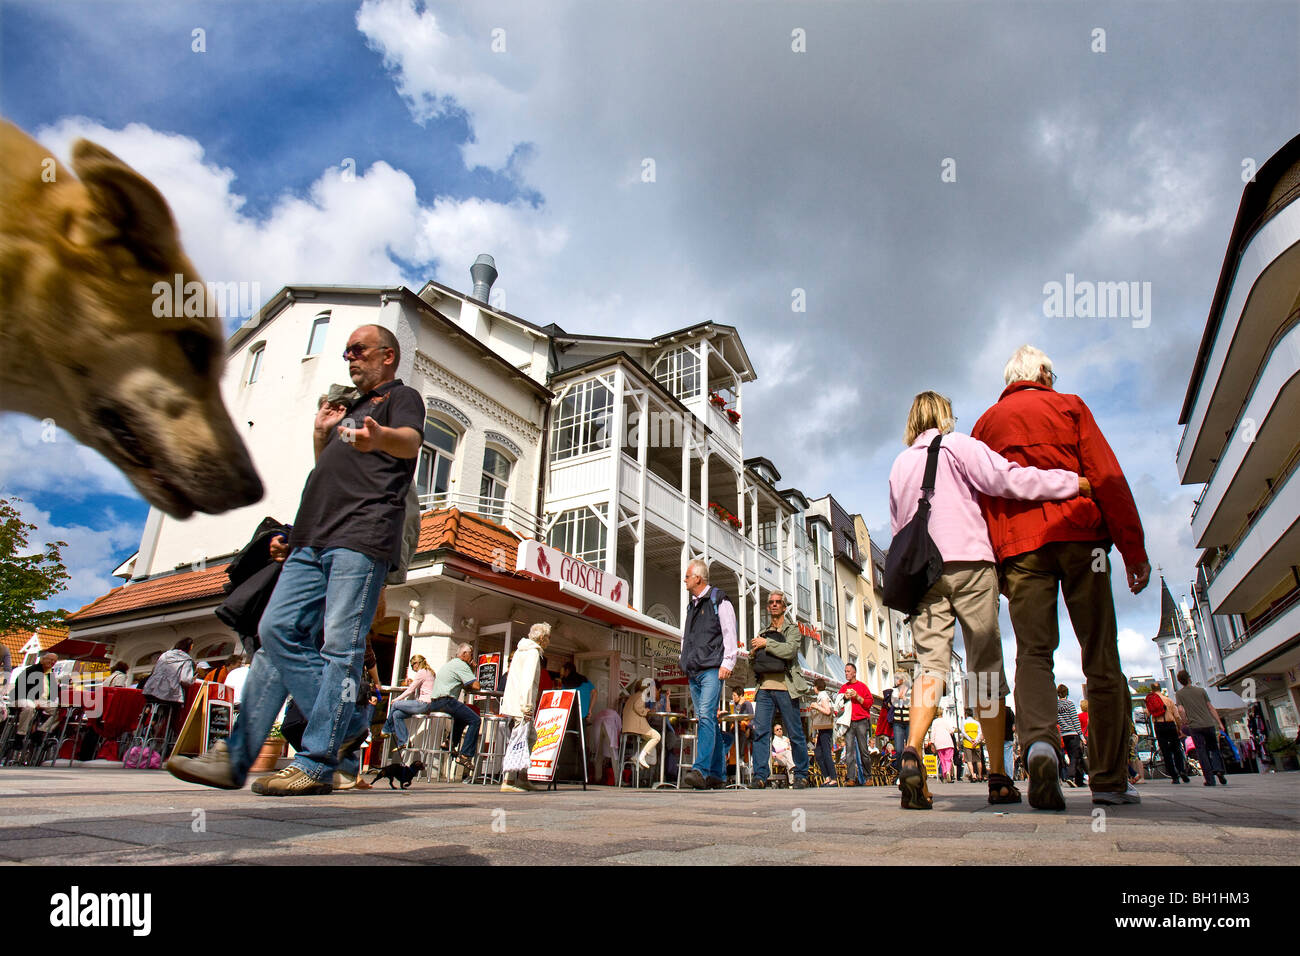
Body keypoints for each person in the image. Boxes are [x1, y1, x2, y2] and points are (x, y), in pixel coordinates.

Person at [167, 323, 424, 795]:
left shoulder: (398, 399)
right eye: (346, 352)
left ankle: (316, 758)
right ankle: (277, 746)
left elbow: (409, 442)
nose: (350, 357)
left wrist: (381, 436)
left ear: (388, 355)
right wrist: (320, 435)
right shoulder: (351, 412)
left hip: (361, 540)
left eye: (359, 350)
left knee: (340, 649)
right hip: (309, 540)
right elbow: (328, 472)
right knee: (274, 633)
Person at [890, 389, 1086, 809]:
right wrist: (1070, 482)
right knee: (982, 668)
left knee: (931, 666)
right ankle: (998, 776)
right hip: (971, 564)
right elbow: (1009, 478)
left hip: (923, 571)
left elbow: (898, 527)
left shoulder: (900, 464)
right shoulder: (959, 446)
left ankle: (911, 751)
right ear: (945, 415)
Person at [972, 345, 1149, 810]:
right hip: (1082, 540)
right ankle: (1110, 779)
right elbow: (1107, 477)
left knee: (1033, 651)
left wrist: (994, 564)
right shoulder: (1070, 406)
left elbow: (981, 497)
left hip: (1020, 548)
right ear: (1045, 375)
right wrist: (1134, 549)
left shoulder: (986, 424)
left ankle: (1041, 745)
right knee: (1100, 652)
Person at [679, 558, 738, 790]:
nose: (684, 579)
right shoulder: (691, 605)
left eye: (687, 576)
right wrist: (683, 659)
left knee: (705, 716)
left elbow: (729, 631)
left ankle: (701, 770)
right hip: (694, 669)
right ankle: (718, 774)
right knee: (708, 719)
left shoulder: (719, 600)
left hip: (712, 668)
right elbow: (687, 636)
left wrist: (728, 662)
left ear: (698, 578)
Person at [748, 589, 810, 789]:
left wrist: (766, 643)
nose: (774, 604)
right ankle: (759, 775)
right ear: (768, 607)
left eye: (778, 602)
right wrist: (753, 653)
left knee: (795, 731)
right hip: (764, 687)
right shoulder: (763, 632)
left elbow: (790, 650)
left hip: (786, 687)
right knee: (760, 732)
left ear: (784, 606)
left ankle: (801, 774)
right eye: (771, 602)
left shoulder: (792, 630)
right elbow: (755, 662)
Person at [499, 622, 550, 792]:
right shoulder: (533, 652)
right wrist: (527, 706)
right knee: (519, 740)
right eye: (548, 637)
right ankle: (509, 780)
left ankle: (522, 777)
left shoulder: (522, 651)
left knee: (529, 737)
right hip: (522, 704)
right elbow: (528, 681)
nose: (549, 641)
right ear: (542, 638)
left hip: (515, 701)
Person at [428, 642, 484, 775]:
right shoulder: (461, 664)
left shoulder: (451, 663)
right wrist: (472, 670)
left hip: (435, 702)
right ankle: (465, 755)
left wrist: (470, 672)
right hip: (446, 700)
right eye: (470, 653)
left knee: (464, 715)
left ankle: (449, 742)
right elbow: (476, 686)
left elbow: (466, 685)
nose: (472, 656)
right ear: (464, 654)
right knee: (475, 720)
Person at [1175, 670, 1229, 786]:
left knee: (1201, 751)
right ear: (1189, 678)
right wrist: (1219, 722)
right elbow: (1210, 707)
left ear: (1180, 681)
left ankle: (1209, 779)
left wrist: (1185, 721)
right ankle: (1219, 770)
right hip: (1208, 724)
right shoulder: (1201, 691)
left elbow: (1180, 709)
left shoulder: (1179, 694)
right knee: (1214, 748)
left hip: (1195, 726)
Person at [142, 638, 198, 745]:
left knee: (157, 706)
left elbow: (154, 671)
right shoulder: (186, 660)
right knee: (173, 711)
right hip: (169, 692)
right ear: (189, 647)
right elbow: (185, 680)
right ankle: (165, 738)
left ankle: (148, 726)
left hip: (151, 689)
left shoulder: (164, 655)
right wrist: (193, 679)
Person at [381, 655, 436, 748]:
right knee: (397, 715)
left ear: (417, 663)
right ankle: (404, 741)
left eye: (412, 665)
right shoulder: (429, 672)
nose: (412, 668)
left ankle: (386, 730)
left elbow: (410, 690)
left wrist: (396, 699)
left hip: (423, 704)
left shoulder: (421, 672)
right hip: (429, 705)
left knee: (395, 704)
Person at [13, 652, 60, 758]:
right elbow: (20, 686)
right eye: (50, 659)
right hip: (24, 698)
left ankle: (41, 731)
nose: (52, 662)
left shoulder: (50, 674)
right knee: (29, 707)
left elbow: (53, 692)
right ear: (42, 659)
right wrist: (33, 700)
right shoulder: (31, 670)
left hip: (42, 701)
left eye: (54, 661)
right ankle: (20, 735)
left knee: (60, 711)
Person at [839, 663, 873, 786]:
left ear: (854, 672)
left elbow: (869, 703)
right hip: (848, 722)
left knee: (863, 750)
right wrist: (845, 697)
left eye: (848, 671)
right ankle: (851, 778)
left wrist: (857, 697)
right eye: (845, 671)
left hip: (861, 721)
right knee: (849, 751)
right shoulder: (843, 688)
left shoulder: (862, 687)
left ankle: (868, 777)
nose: (846, 673)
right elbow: (838, 704)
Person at [1146, 686, 1190, 783]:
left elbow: (1148, 714)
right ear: (1160, 689)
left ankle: (1174, 776)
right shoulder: (1168, 700)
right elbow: (1177, 716)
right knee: (1176, 749)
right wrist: (1179, 728)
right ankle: (1181, 770)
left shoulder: (1151, 700)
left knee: (1166, 752)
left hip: (1158, 725)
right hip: (1170, 725)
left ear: (1152, 690)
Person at [1056, 685, 1087, 788]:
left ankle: (1078, 780)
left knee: (1070, 755)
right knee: (1075, 757)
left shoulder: (1055, 706)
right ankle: (1071, 776)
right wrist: (1081, 736)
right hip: (1073, 733)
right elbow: (1075, 721)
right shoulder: (1070, 704)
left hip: (1063, 734)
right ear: (1067, 693)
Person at [810, 677, 838, 786]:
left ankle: (833, 778)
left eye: (814, 686)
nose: (813, 688)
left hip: (825, 728)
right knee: (819, 752)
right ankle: (827, 777)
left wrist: (816, 706)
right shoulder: (823, 695)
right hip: (823, 728)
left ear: (817, 687)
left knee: (825, 753)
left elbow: (827, 711)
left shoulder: (822, 695)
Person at [931, 712, 956, 783]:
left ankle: (944, 774)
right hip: (948, 741)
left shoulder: (934, 722)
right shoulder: (945, 721)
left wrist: (932, 743)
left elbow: (933, 732)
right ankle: (948, 771)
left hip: (939, 742)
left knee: (942, 759)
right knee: (948, 759)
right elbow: (951, 730)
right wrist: (953, 729)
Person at [961, 710, 985, 782]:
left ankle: (973, 775)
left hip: (967, 744)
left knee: (969, 761)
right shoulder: (977, 723)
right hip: (976, 744)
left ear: (966, 714)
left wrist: (970, 739)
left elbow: (963, 732)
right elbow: (980, 733)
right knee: (978, 760)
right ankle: (980, 776)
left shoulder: (964, 722)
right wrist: (976, 741)